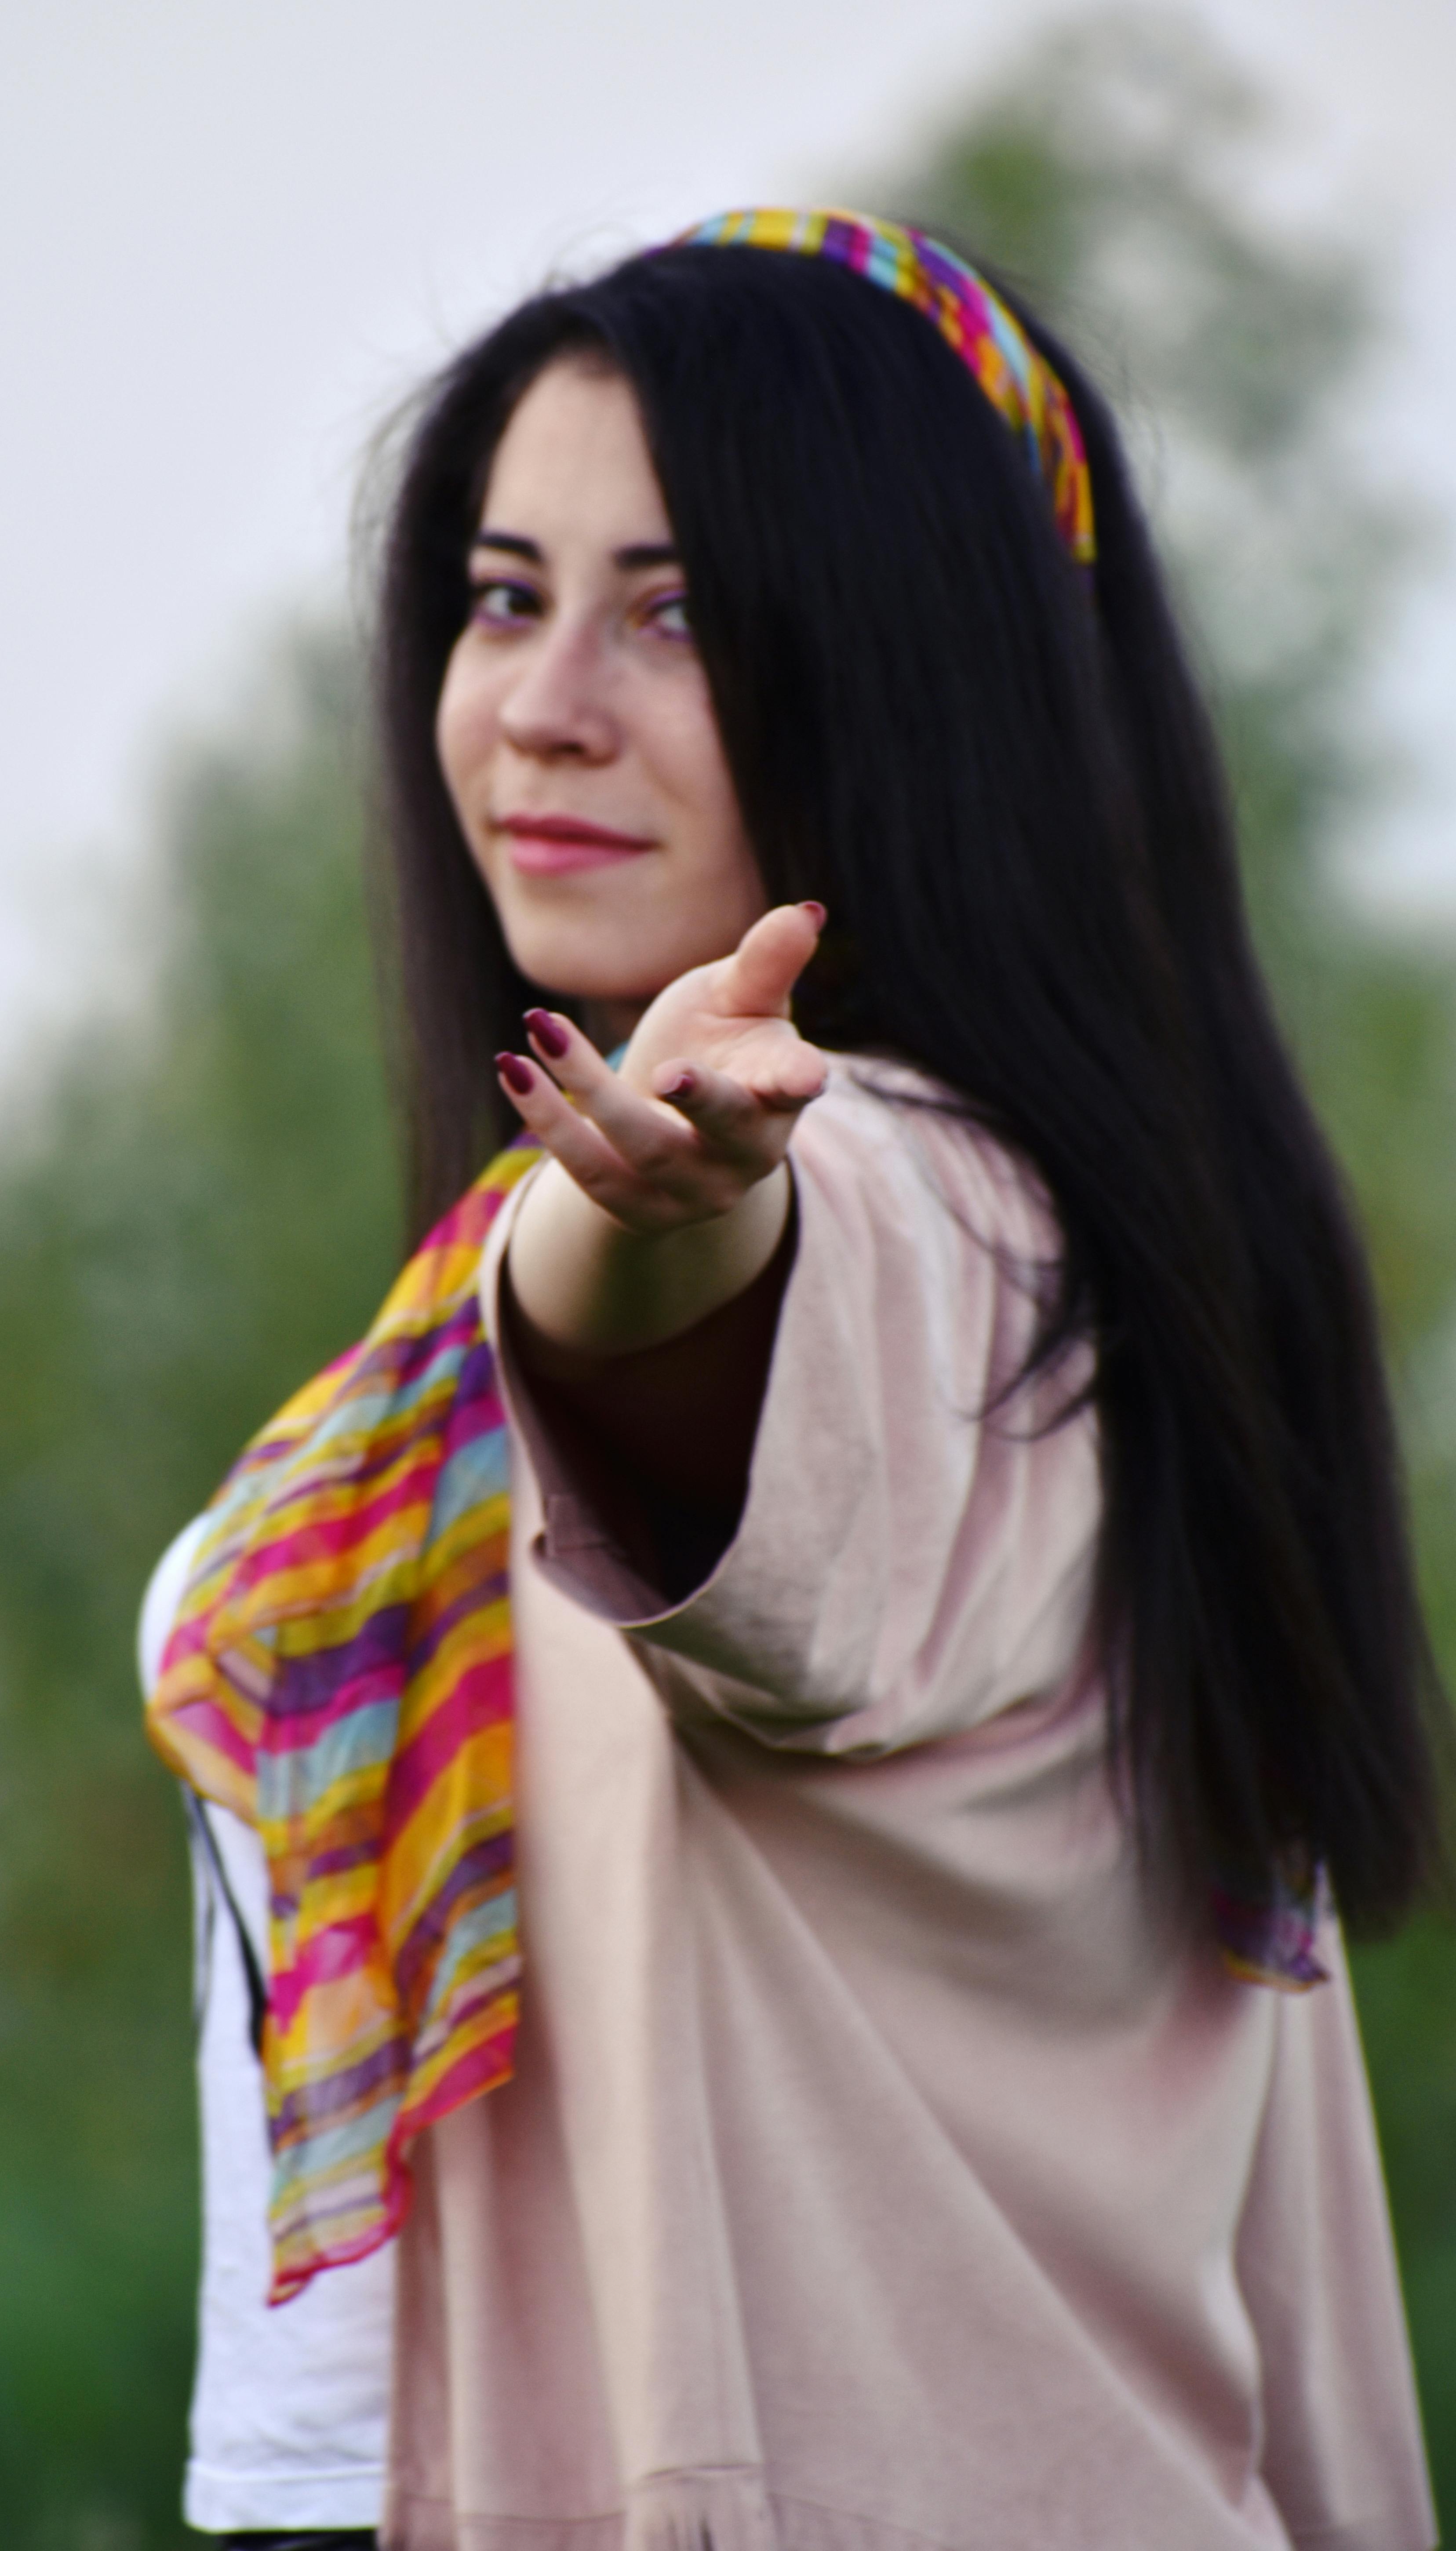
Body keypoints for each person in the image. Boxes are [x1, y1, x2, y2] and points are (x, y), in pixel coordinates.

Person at [146, 208, 1444, 2551]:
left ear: (904, 680)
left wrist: (659, 1230)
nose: (545, 701)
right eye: (506, 593)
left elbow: (735, 1337)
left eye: (681, 612)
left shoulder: (935, 1222)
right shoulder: (1094, 1264)